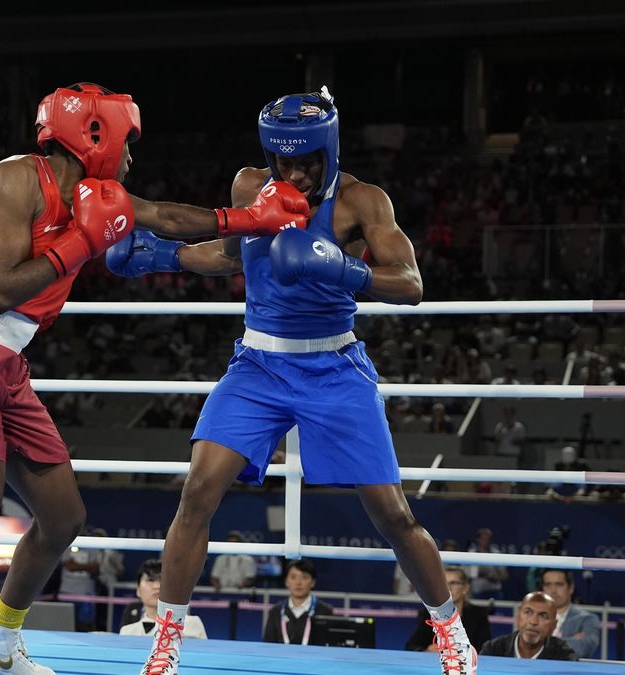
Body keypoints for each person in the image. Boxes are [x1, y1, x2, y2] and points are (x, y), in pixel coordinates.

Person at [0, 82, 307, 675]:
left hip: (7, 360)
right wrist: (81, 241)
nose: (131, 158)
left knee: (63, 518)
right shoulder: (12, 179)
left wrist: (253, 217)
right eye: (128, 144)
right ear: (97, 136)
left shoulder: (102, 192)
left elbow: (168, 217)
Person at [110, 89, 477, 675]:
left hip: (334, 368)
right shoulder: (248, 186)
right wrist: (165, 257)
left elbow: (410, 282)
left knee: (394, 516)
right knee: (197, 493)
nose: (297, 173)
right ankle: (167, 640)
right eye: (286, 163)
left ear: (329, 151)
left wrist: (337, 263)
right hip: (258, 366)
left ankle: (453, 637)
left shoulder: (361, 200)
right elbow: (233, 255)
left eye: (308, 161)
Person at [406, 567, 492, 652]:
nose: (448, 588)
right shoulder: (429, 613)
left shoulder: (478, 614)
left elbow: (484, 650)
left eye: (453, 583)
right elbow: (412, 646)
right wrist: (426, 651)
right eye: (444, 583)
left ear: (465, 588)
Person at [120, 559, 207, 639]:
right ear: (138, 590)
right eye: (150, 580)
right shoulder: (127, 631)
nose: (157, 586)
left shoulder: (192, 624)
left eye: (163, 580)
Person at [478, 591, 577, 660]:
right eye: (528, 612)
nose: (533, 622)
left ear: (554, 625)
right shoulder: (494, 649)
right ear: (518, 616)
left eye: (543, 616)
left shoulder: (563, 656)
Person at [261, 559, 334, 645]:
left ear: (313, 582)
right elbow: (268, 647)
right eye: (293, 577)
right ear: (286, 582)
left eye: (304, 577)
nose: (298, 582)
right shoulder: (275, 612)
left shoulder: (325, 612)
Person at [540, 569, 600, 658]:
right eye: (548, 585)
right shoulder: (533, 618)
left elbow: (582, 649)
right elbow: (523, 646)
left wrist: (541, 643)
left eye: (559, 584)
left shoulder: (587, 619)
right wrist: (571, 640)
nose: (553, 591)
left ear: (571, 588)